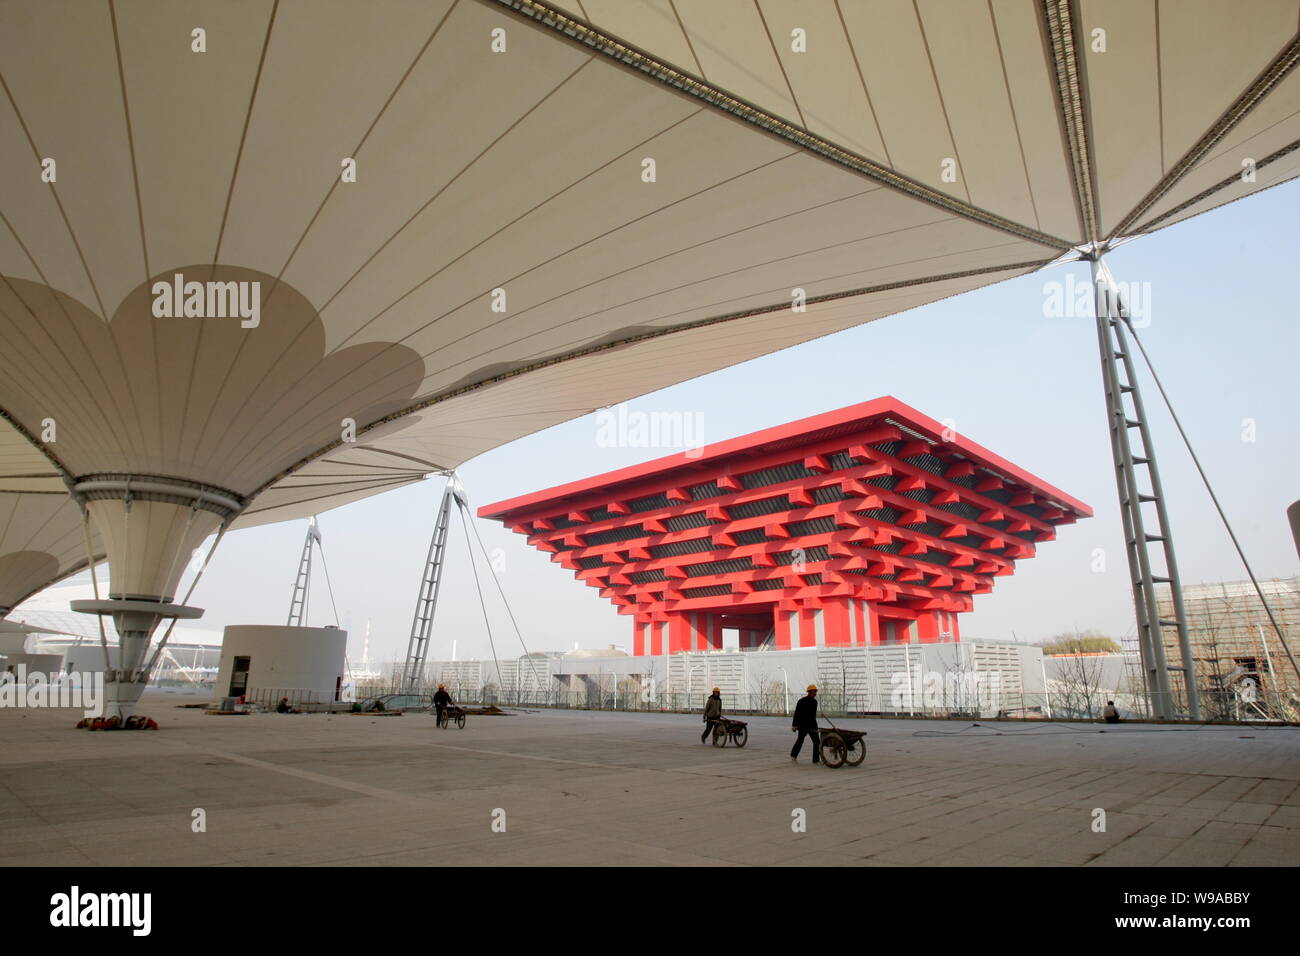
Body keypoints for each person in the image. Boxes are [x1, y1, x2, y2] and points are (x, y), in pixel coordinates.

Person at [791, 684, 820, 763]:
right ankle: (793, 755)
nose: (815, 693)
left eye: (815, 692)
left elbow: (813, 716)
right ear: (809, 692)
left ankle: (816, 760)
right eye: (814, 692)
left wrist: (816, 728)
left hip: (811, 725)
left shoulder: (815, 702)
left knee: (817, 741)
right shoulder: (801, 701)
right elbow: (796, 714)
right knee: (800, 740)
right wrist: (794, 725)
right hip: (802, 725)